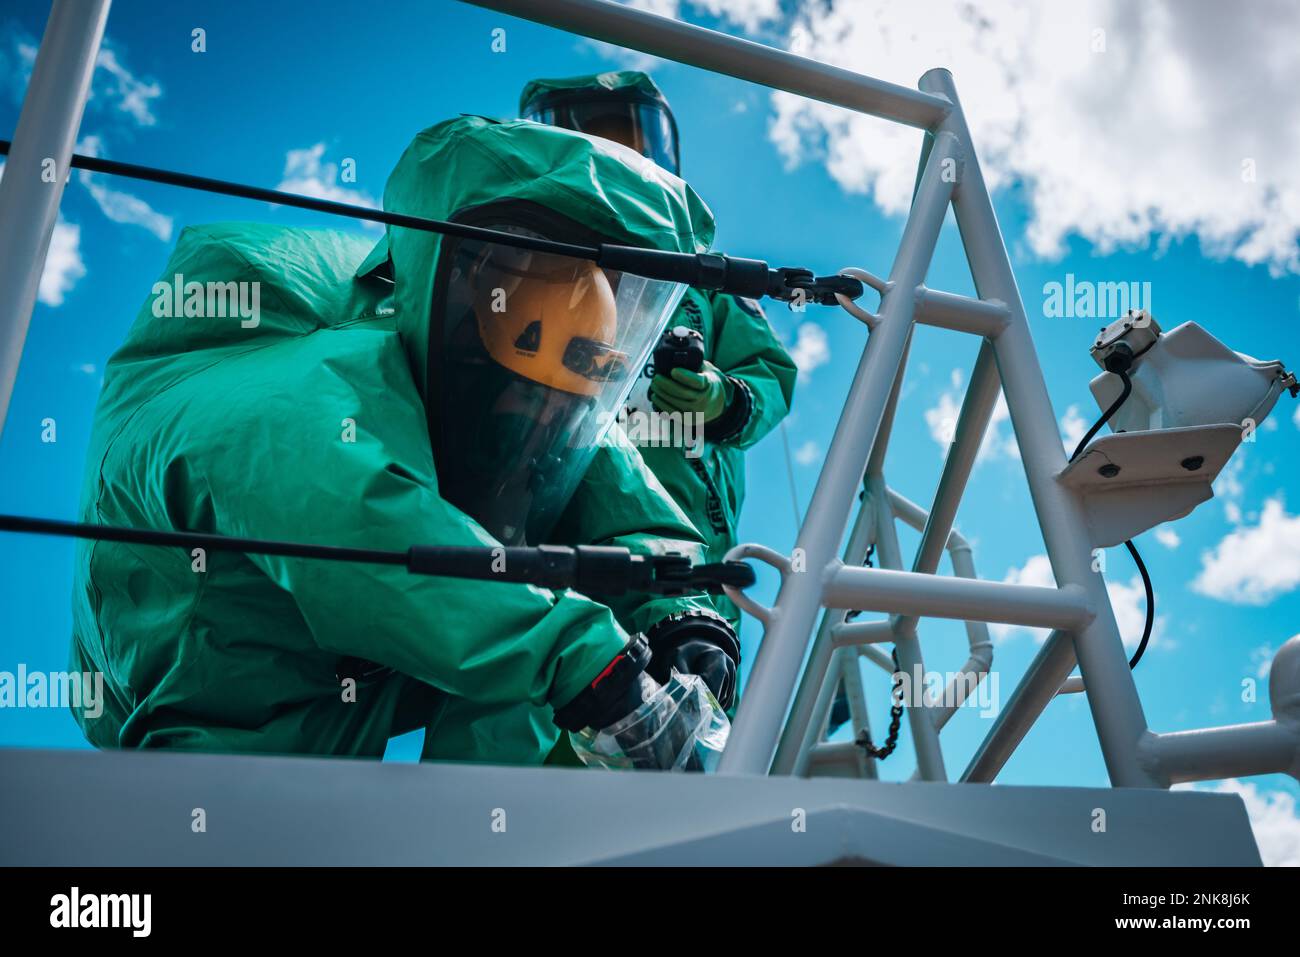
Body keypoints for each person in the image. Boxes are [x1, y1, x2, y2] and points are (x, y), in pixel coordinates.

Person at [68, 115, 740, 768]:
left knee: (536, 584)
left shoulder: (519, 399)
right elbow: (371, 527)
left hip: (361, 663)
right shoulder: (301, 403)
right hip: (223, 677)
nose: (540, 415)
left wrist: (678, 610)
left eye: (561, 395)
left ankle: (487, 839)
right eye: (525, 385)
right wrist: (594, 667)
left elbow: (607, 480)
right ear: (472, 343)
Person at [521, 71, 797, 633]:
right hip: (549, 523)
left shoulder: (708, 279)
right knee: (535, 673)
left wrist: (724, 399)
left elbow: (768, 374)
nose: (616, 160)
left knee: (695, 672)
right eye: (596, 145)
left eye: (628, 142)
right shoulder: (530, 265)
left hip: (684, 540)